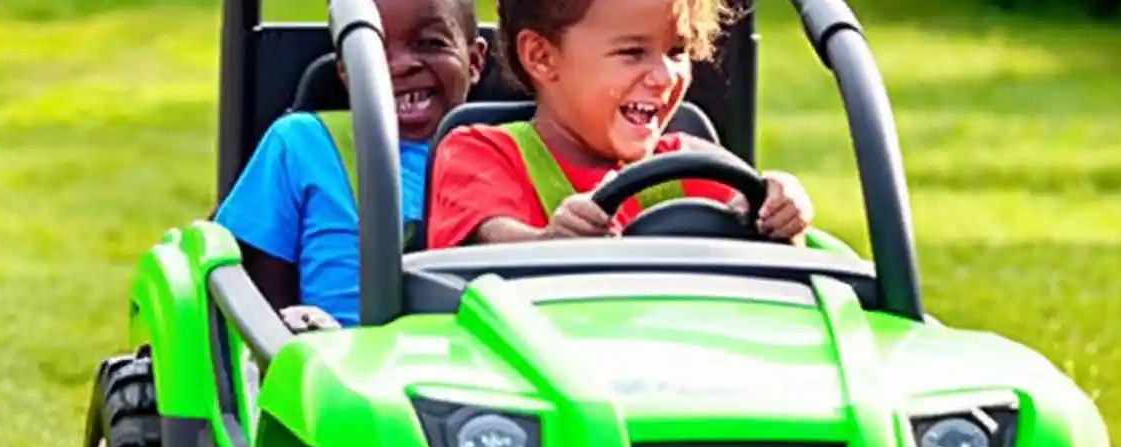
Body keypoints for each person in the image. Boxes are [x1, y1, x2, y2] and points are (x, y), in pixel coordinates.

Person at [424, 0, 814, 249]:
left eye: (677, 51)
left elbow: (756, 233)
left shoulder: (692, 163)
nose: (664, 77)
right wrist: (546, 242)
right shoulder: (479, 154)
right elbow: (487, 240)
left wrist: (778, 209)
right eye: (632, 53)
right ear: (541, 56)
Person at [214, 0, 487, 330]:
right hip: (329, 363)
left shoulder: (504, 153)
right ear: (345, 70)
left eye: (429, 43)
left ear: (474, 60)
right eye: (375, 49)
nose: (400, 66)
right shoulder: (303, 144)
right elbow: (255, 287)